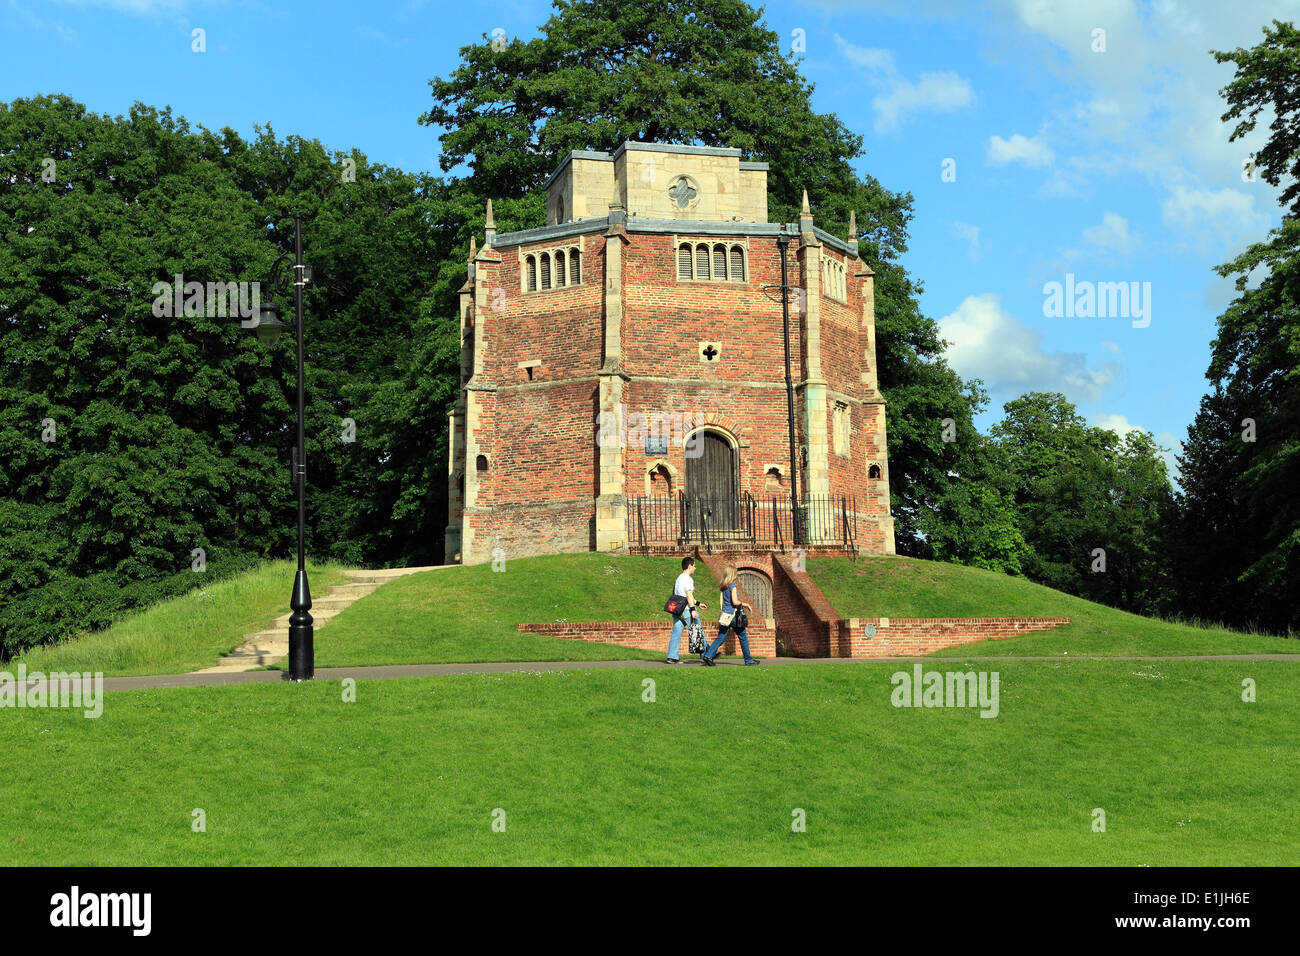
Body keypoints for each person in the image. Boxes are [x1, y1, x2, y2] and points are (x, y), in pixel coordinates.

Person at [702, 565, 760, 666]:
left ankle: (708, 655)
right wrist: (746, 604)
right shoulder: (732, 586)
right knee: (743, 637)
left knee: (721, 637)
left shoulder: (724, 587)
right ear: (733, 574)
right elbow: (735, 602)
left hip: (724, 616)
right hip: (732, 615)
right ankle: (748, 660)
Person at [666, 555, 706, 664]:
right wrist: (693, 609)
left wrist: (698, 603)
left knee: (676, 632)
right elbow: (688, 595)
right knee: (698, 630)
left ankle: (672, 656)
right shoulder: (688, 579)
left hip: (677, 610)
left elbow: (681, 595)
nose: (695, 568)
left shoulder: (679, 578)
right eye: (694, 566)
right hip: (687, 609)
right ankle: (708, 654)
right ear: (689, 566)